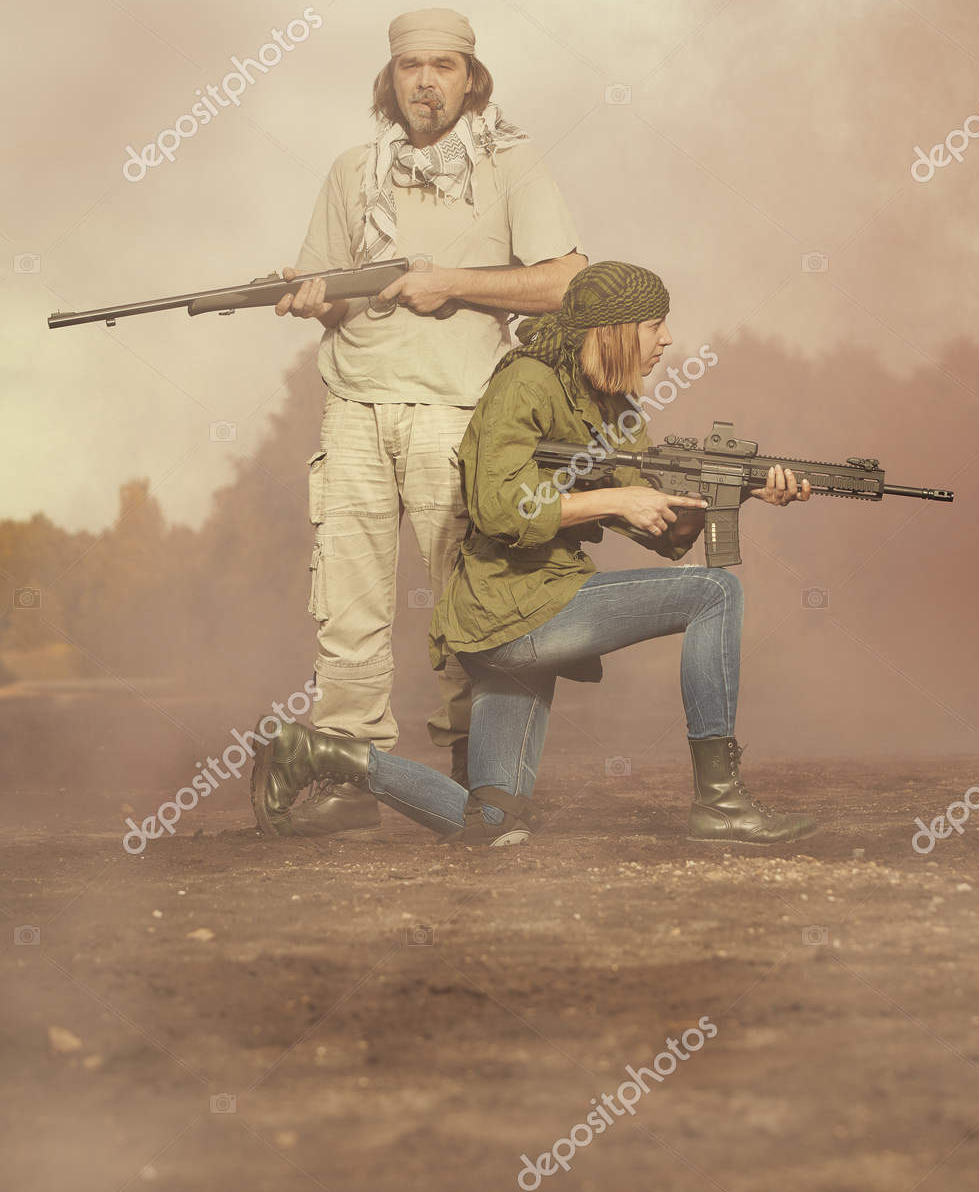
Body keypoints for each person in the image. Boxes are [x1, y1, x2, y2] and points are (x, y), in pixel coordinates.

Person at [253, 260, 817, 849]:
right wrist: (613, 501)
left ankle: (322, 754)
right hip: (510, 608)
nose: (668, 340)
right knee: (715, 593)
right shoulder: (526, 382)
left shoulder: (615, 408)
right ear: (610, 330)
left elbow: (666, 534)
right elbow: (497, 508)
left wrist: (735, 493)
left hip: (521, 628)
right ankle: (721, 802)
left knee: (491, 826)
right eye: (655, 325)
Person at [275, 7, 586, 834]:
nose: (424, 81)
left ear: (470, 77)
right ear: (390, 79)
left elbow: (568, 283)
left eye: (442, 65)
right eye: (409, 65)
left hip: (457, 418)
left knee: (466, 612)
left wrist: (450, 280)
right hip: (353, 409)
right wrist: (311, 298)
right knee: (346, 614)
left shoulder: (511, 165)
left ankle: (473, 779)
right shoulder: (352, 171)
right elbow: (329, 290)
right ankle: (347, 780)